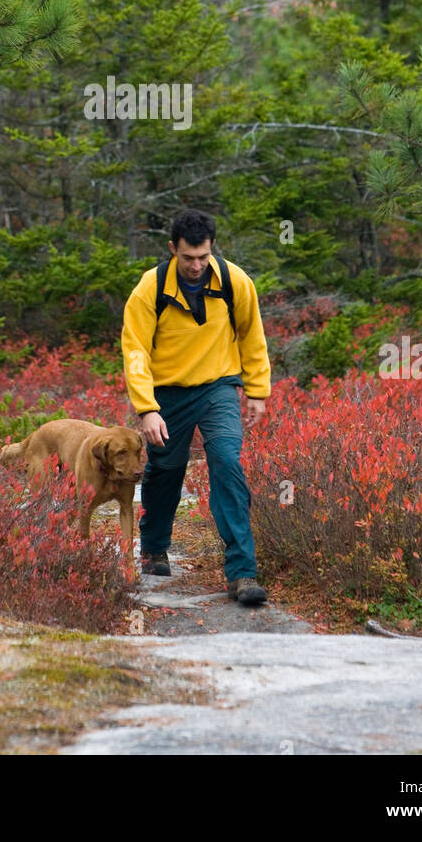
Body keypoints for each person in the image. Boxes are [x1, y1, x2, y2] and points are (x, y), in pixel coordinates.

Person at [121, 208, 272, 606]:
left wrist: (257, 390)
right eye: (187, 257)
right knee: (166, 470)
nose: (196, 265)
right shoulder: (149, 289)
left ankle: (242, 572)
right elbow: (135, 349)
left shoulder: (234, 281)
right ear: (173, 249)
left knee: (227, 460)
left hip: (219, 387)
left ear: (212, 249)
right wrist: (146, 407)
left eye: (203, 257)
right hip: (167, 393)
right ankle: (153, 549)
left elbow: (251, 336)